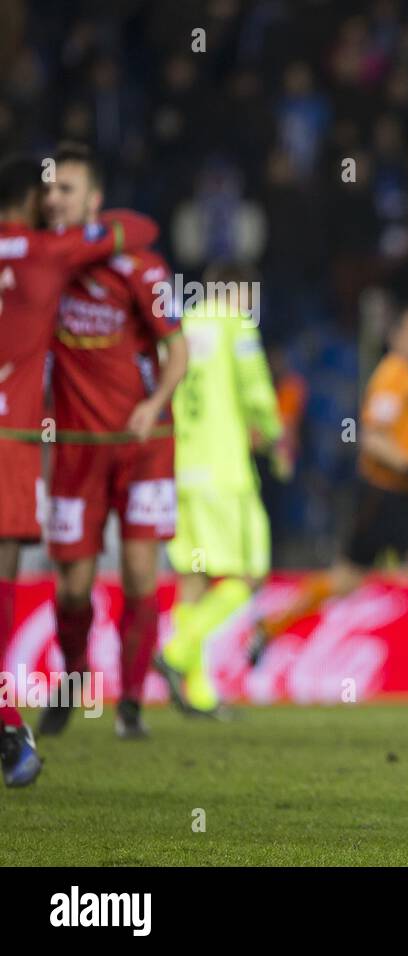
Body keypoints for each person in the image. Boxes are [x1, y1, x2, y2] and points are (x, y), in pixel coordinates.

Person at [0, 153, 158, 782]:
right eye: (49, 193)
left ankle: (90, 707)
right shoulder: (50, 252)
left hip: (100, 442)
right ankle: (10, 726)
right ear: (33, 201)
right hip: (13, 440)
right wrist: (86, 225)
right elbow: (140, 228)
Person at [250, 305, 408, 705]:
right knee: (348, 580)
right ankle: (269, 627)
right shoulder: (394, 377)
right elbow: (373, 438)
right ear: (396, 336)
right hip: (384, 496)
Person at [39, 143, 188, 740]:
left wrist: (152, 407)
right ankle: (74, 682)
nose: (55, 199)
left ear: (94, 200)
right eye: (50, 190)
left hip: (143, 445)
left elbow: (177, 351)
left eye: (67, 189)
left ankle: (130, 704)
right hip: (75, 446)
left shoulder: (140, 267)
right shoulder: (44, 263)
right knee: (72, 585)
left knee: (138, 575)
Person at [155, 263, 280, 717]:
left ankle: (197, 692)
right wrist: (271, 430)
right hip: (225, 474)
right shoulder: (236, 324)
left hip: (181, 471)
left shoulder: (181, 326)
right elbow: (257, 392)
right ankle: (175, 652)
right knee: (246, 576)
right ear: (238, 292)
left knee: (194, 581)